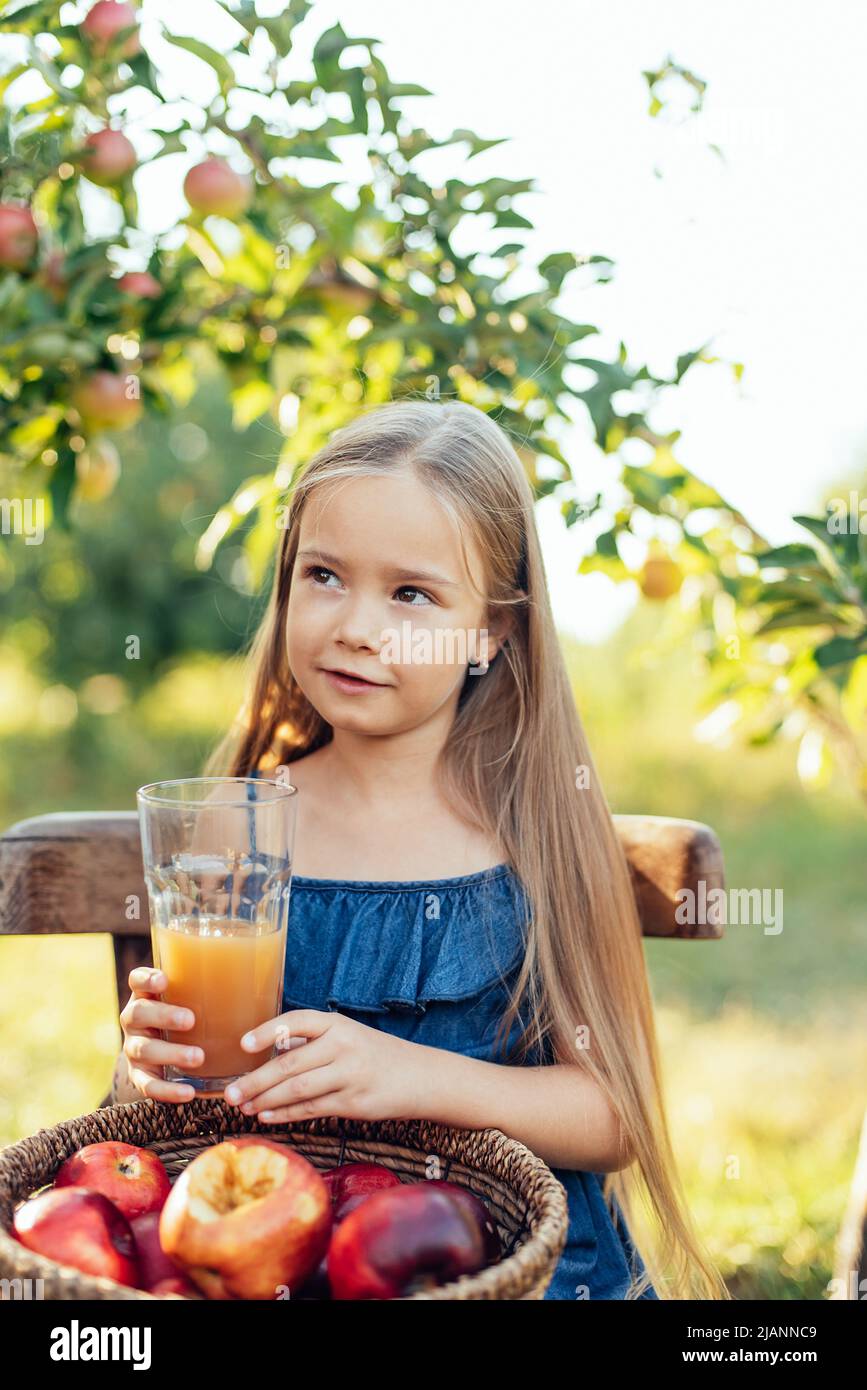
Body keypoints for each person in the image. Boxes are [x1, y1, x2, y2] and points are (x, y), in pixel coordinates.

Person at [116, 398, 728, 1300]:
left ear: (492, 630)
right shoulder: (235, 824)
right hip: (300, 1261)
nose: (356, 624)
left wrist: (406, 1075)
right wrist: (145, 1071)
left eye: (410, 593)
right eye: (323, 575)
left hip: (519, 1267)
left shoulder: (538, 834)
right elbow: (170, 1109)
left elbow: (613, 1114)